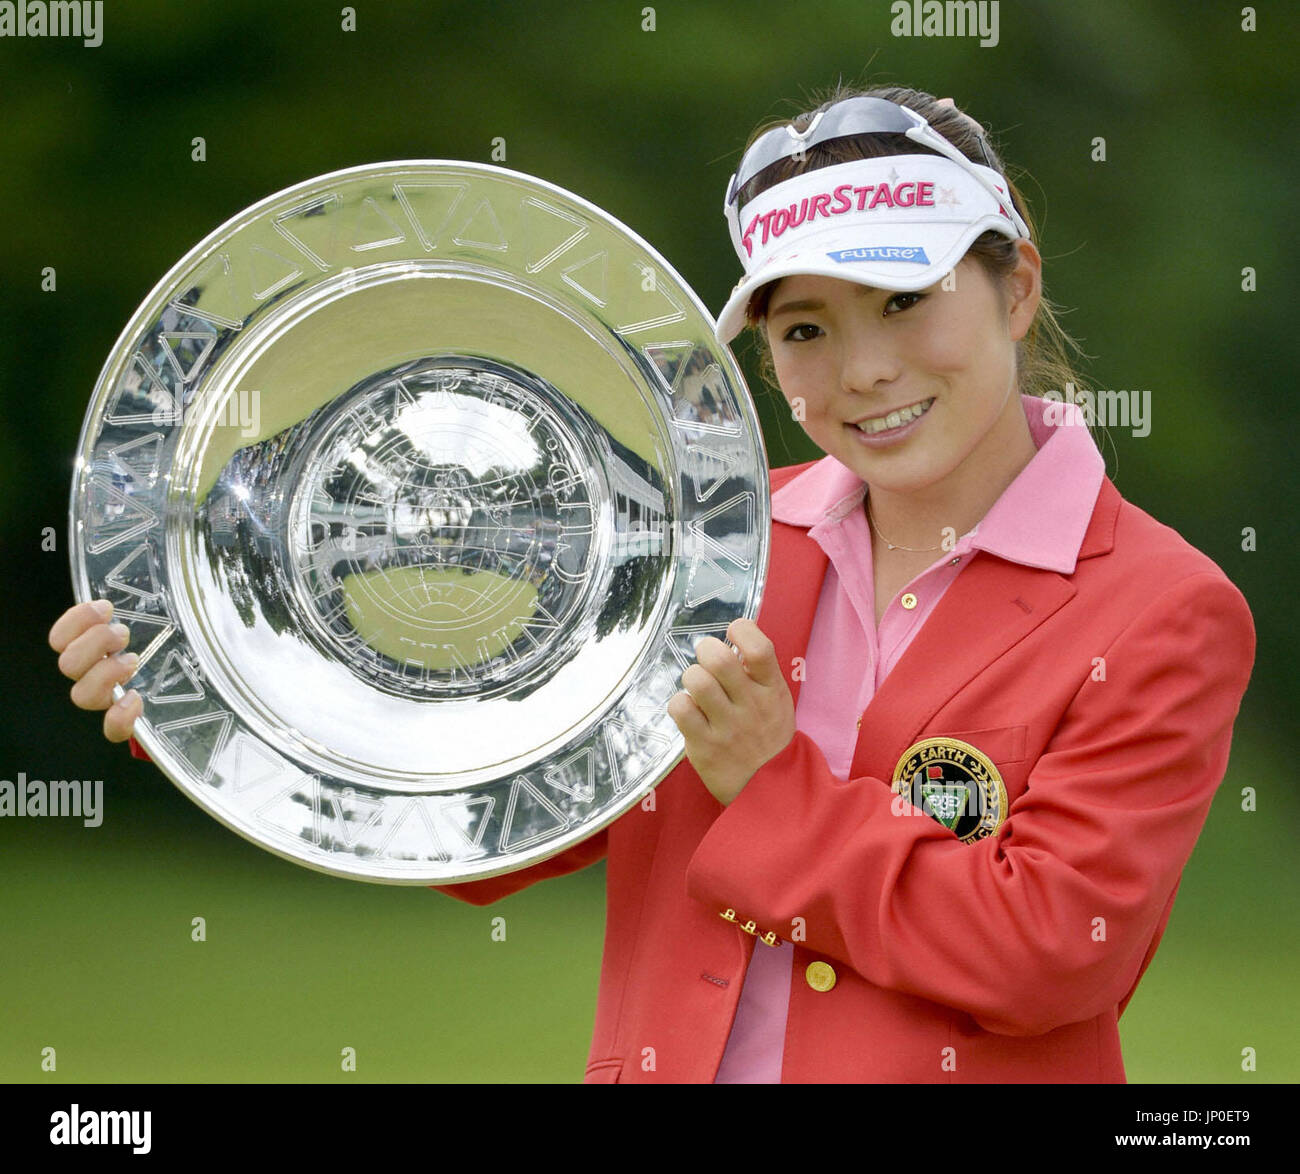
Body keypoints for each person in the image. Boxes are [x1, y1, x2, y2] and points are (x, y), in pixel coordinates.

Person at [49, 84, 1256, 1084]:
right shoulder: (721, 541)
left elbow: (1050, 952)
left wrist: (772, 787)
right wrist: (214, 699)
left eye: (904, 300)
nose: (866, 368)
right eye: (804, 329)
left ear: (1017, 286)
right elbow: (502, 823)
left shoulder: (1159, 607)